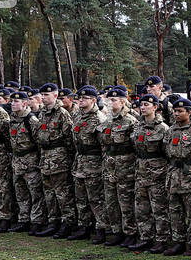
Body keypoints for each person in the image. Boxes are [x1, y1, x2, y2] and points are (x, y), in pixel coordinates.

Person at [164, 98, 191, 257]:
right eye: (175, 111)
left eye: (180, 111)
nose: (176, 114)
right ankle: (178, 242)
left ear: (189, 112)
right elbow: (166, 151)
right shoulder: (171, 130)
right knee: (175, 211)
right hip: (174, 176)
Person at [34, 83, 77, 239]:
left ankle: (68, 222)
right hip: (45, 157)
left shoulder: (62, 114)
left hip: (59, 157)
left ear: (55, 95)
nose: (44, 98)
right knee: (49, 193)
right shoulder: (42, 113)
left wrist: (66, 156)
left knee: (62, 193)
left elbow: (69, 139)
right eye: (42, 95)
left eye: (47, 95)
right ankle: (53, 222)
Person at [130, 93, 171, 253]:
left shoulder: (163, 128)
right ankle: (145, 237)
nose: (143, 107)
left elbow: (167, 152)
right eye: (142, 104)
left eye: (147, 104)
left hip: (157, 172)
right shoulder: (137, 126)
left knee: (159, 207)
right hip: (140, 170)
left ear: (155, 107)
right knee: (141, 207)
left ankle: (161, 239)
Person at [100, 87, 140, 247]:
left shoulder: (131, 121)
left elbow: (136, 147)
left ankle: (130, 233)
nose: (110, 103)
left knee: (126, 202)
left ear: (123, 101)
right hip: (109, 167)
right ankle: (117, 231)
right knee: (111, 202)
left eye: (114, 100)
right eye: (108, 100)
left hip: (125, 168)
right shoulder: (107, 121)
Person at [70, 86, 107, 242]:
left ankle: (101, 228)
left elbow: (104, 146)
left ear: (93, 100)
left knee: (96, 198)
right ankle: (84, 226)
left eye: (84, 98)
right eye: (79, 98)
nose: (81, 100)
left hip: (94, 163)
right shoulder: (78, 116)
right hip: (80, 161)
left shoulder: (99, 118)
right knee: (81, 198)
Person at [3, 90, 42, 233]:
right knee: (21, 193)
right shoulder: (12, 119)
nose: (13, 104)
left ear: (25, 103)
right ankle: (23, 219)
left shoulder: (31, 120)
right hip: (17, 161)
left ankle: (37, 221)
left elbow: (39, 143)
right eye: (12, 101)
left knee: (35, 193)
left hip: (30, 162)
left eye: (16, 101)